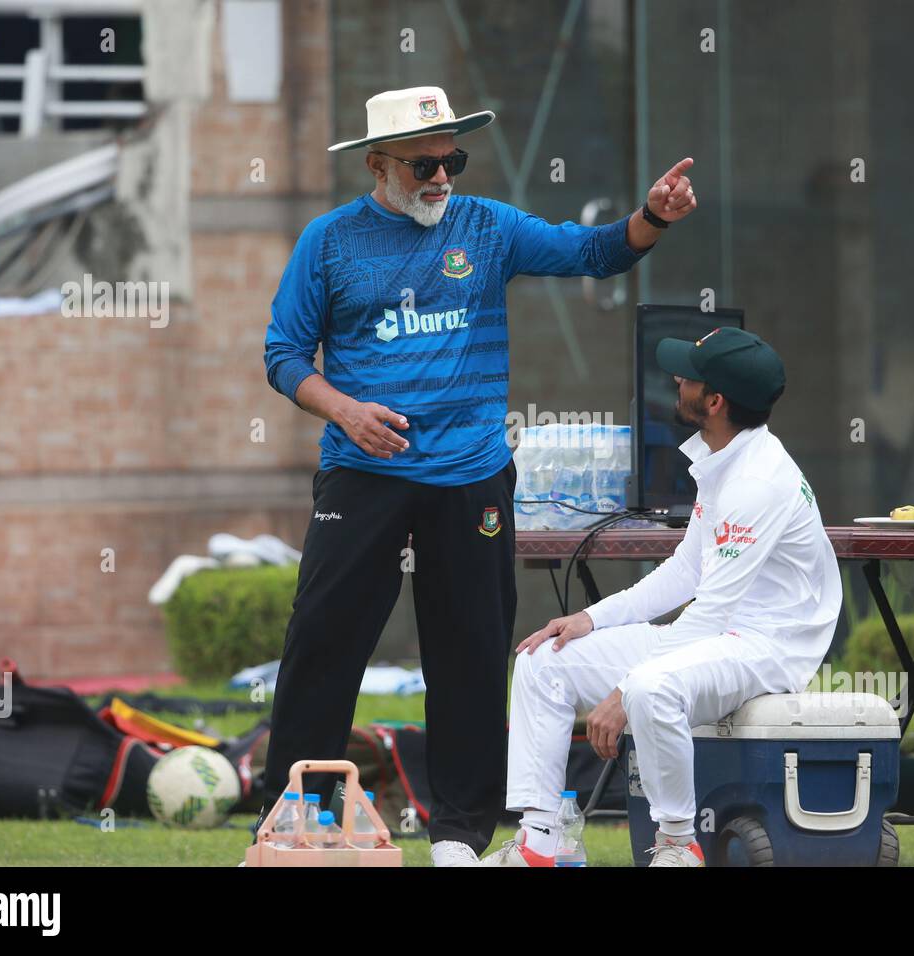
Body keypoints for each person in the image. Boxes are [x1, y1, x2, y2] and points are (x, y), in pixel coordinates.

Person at [259, 86, 697, 866]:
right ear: (378, 164)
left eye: (452, 159)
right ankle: (293, 820)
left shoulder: (487, 227)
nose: (441, 175)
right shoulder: (327, 242)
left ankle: (459, 837)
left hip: (471, 476)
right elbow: (284, 357)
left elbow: (592, 251)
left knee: (468, 652)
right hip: (363, 471)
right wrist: (344, 410)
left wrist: (653, 216)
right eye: (424, 163)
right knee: (323, 642)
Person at [481, 328, 842, 867]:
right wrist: (587, 618)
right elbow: (683, 574)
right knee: (543, 661)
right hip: (719, 636)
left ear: (714, 402)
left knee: (650, 689)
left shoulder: (757, 481)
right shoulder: (725, 458)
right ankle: (538, 846)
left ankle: (678, 846)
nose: (676, 378)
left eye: (689, 376)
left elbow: (712, 613)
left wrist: (623, 690)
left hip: (769, 649)